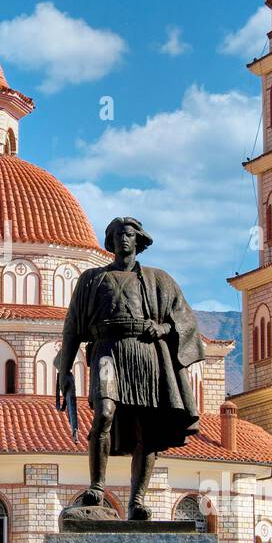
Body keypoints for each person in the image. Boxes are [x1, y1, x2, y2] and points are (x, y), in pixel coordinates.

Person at [58, 216, 205, 519]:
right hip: (107, 350)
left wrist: (161, 328)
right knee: (104, 414)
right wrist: (65, 369)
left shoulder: (157, 279)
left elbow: (184, 319)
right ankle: (97, 488)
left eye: (128, 234)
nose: (123, 239)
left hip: (145, 353)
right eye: (116, 235)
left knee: (146, 430)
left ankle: (136, 500)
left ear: (138, 240)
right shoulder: (91, 279)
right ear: (109, 242)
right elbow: (72, 326)